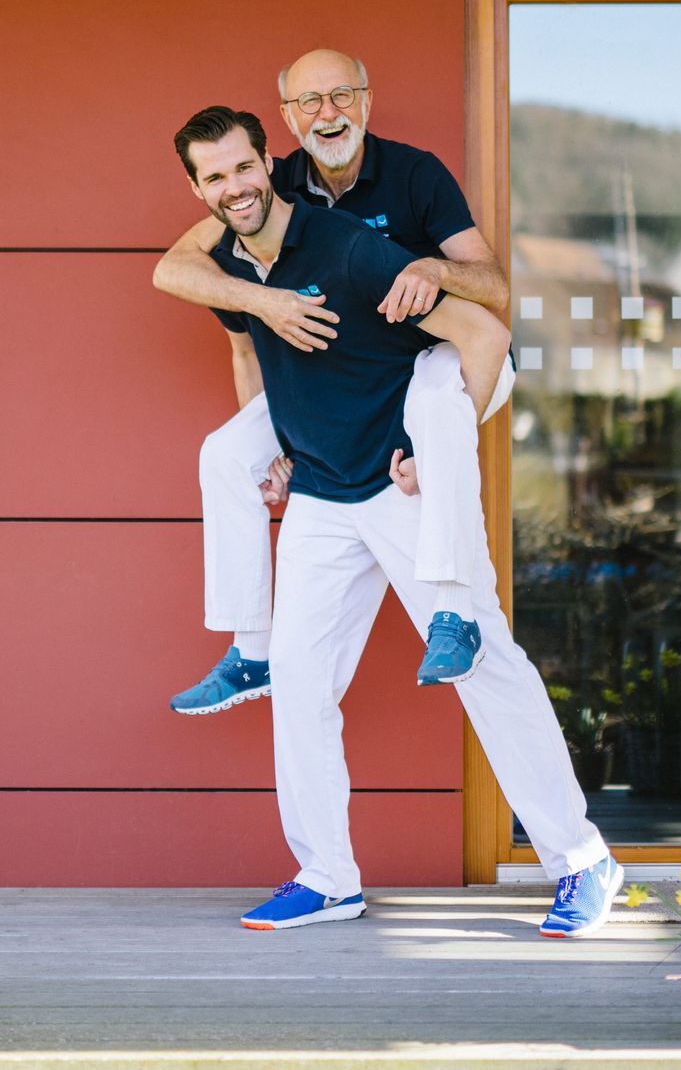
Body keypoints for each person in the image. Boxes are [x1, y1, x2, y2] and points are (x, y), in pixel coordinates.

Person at [168, 105, 621, 937]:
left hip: (401, 489)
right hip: (321, 501)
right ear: (195, 188)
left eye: (243, 167)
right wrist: (278, 446)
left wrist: (435, 445)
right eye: (214, 176)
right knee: (300, 689)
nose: (234, 187)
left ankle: (583, 859)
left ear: (270, 162)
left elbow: (481, 330)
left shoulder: (344, 245)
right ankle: (326, 875)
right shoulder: (227, 266)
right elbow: (237, 342)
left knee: (483, 663)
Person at [155, 49, 508, 716]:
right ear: (287, 118)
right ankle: (249, 650)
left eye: (342, 95)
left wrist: (434, 270)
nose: (329, 113)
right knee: (226, 453)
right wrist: (265, 306)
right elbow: (176, 266)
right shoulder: (268, 181)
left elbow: (492, 291)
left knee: (434, 403)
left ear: (367, 99)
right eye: (310, 102)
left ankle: (454, 615)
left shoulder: (413, 173)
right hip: (335, 379)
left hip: (440, 354)